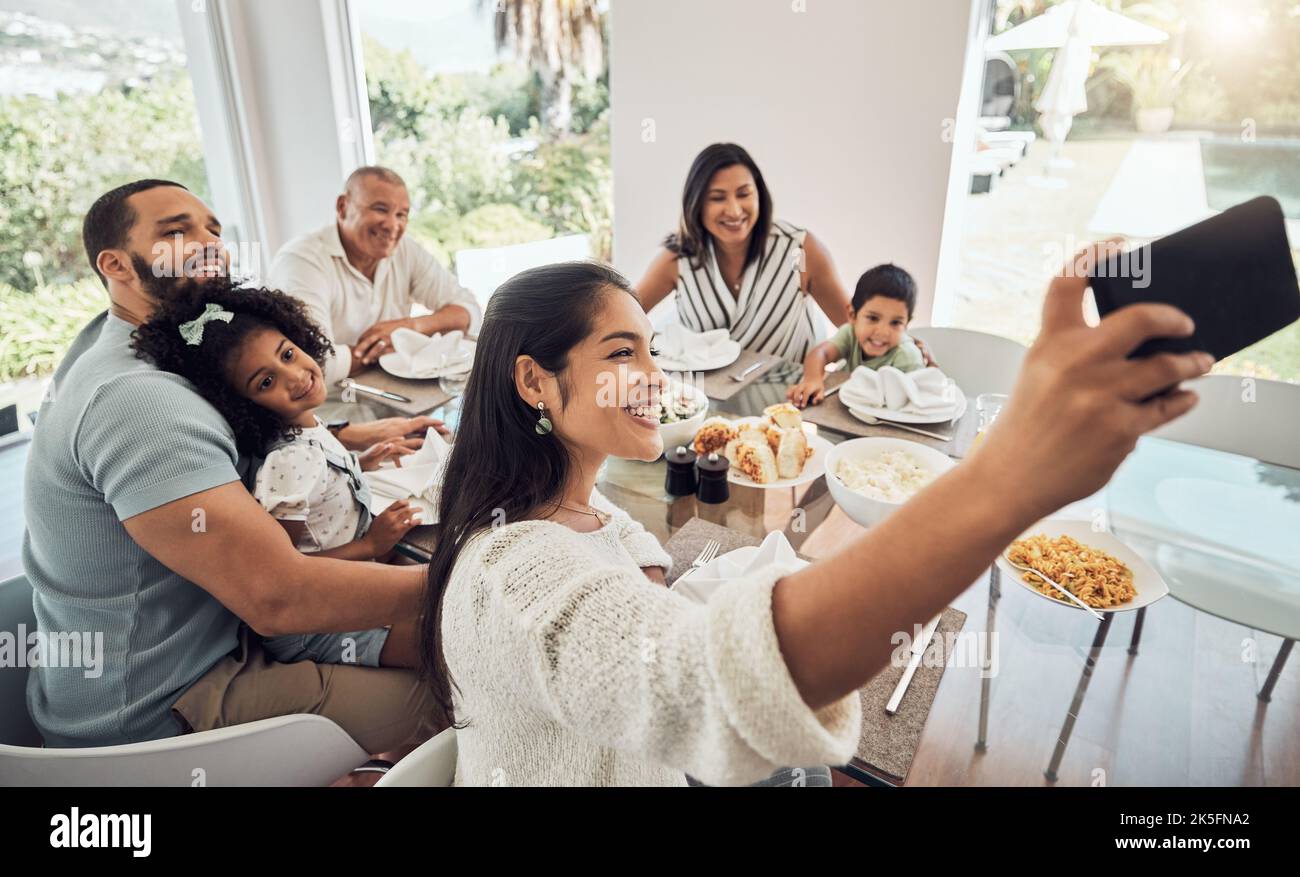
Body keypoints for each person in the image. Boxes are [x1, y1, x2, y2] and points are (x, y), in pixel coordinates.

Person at [418, 251, 1211, 786]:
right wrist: (1010, 477)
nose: (657, 377)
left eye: (652, 349)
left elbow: (638, 574)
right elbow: (704, 680)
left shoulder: (590, 512)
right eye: (623, 353)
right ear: (534, 380)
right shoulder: (512, 575)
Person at [23, 179, 437, 751]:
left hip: (187, 647)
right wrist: (466, 579)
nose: (209, 243)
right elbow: (279, 597)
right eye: (177, 232)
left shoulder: (129, 339)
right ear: (115, 264)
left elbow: (214, 441)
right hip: (161, 705)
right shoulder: (136, 400)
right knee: (459, 693)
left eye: (213, 229)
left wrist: (346, 436)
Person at [131, 283, 427, 668]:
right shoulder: (287, 462)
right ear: (243, 404)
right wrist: (370, 545)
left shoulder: (307, 426)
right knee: (449, 641)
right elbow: (291, 571)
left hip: (352, 582)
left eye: (287, 354)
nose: (294, 376)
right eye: (266, 382)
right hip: (318, 625)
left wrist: (360, 462)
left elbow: (318, 477)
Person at [268, 166, 481, 401]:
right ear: (342, 207)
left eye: (402, 214)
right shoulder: (301, 261)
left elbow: (470, 310)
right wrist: (385, 348)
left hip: (397, 396)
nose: (392, 225)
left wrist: (411, 327)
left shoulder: (405, 250)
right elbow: (315, 361)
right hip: (331, 406)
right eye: (380, 209)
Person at [633, 143, 853, 365]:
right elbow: (624, 317)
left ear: (759, 195)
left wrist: (823, 361)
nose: (734, 211)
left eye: (744, 194)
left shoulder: (799, 250)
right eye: (717, 198)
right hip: (703, 387)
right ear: (696, 203)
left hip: (791, 387)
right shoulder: (677, 259)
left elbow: (856, 328)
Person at [787, 263, 925, 408]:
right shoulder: (850, 333)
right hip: (846, 409)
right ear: (852, 315)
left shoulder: (907, 356)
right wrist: (812, 380)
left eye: (895, 322)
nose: (883, 332)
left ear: (907, 324)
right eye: (873, 318)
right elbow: (821, 353)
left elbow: (916, 400)